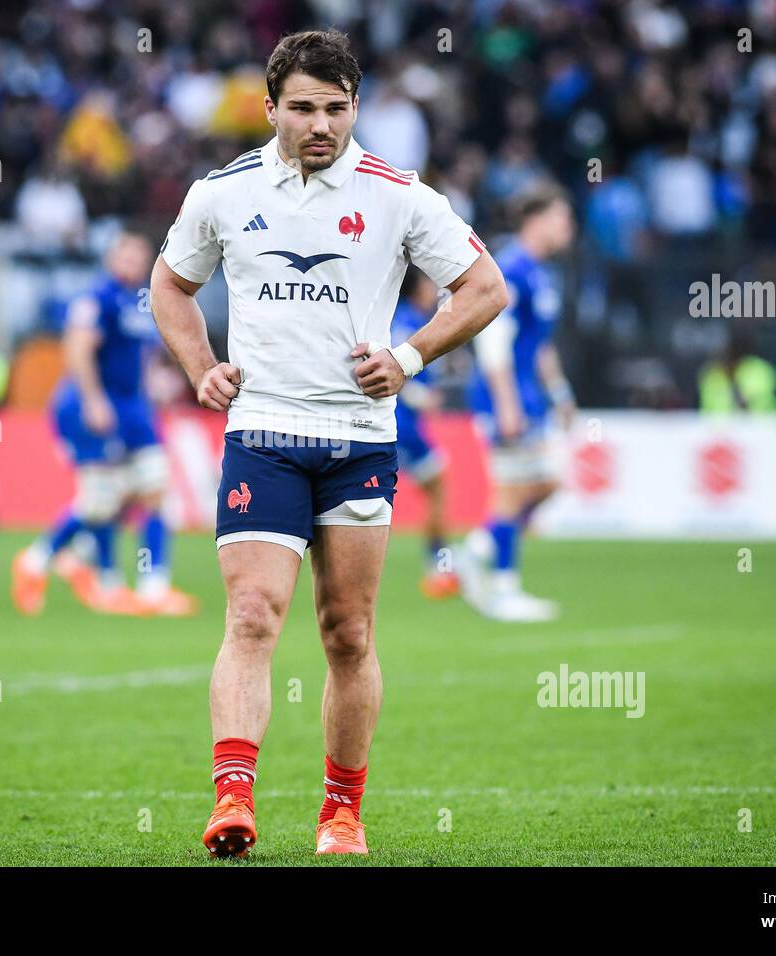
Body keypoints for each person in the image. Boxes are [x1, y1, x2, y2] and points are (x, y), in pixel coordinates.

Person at [149, 29, 508, 858]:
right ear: (269, 106)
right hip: (263, 436)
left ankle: (341, 813)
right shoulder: (223, 193)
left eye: (337, 108)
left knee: (347, 633)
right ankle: (232, 800)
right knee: (250, 615)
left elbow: (484, 287)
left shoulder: (400, 195)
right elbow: (169, 284)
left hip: (357, 441)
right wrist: (201, 365)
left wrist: (410, 355)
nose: (321, 124)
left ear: (357, 108)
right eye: (303, 107)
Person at [12, 232, 197, 618]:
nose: (130, 263)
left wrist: (153, 388)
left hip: (133, 409)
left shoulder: (142, 301)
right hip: (93, 406)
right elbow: (78, 348)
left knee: (154, 489)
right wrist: (93, 400)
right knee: (101, 500)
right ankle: (51, 565)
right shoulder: (96, 298)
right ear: (112, 258)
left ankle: (152, 586)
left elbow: (139, 357)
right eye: (124, 255)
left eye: (138, 256)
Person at [461, 182, 578, 622]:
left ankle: (475, 554)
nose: (569, 228)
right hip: (505, 395)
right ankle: (504, 587)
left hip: (529, 394)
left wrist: (561, 394)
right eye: (563, 218)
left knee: (544, 483)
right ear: (538, 219)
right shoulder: (510, 266)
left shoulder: (541, 272)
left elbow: (540, 343)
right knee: (515, 491)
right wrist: (506, 403)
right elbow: (493, 339)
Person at [391, 267, 460, 599]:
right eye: (431, 283)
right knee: (436, 487)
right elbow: (394, 363)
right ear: (418, 287)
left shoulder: (408, 318)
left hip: (399, 424)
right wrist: (420, 397)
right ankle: (438, 565)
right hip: (401, 425)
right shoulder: (407, 321)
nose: (436, 290)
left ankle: (439, 564)